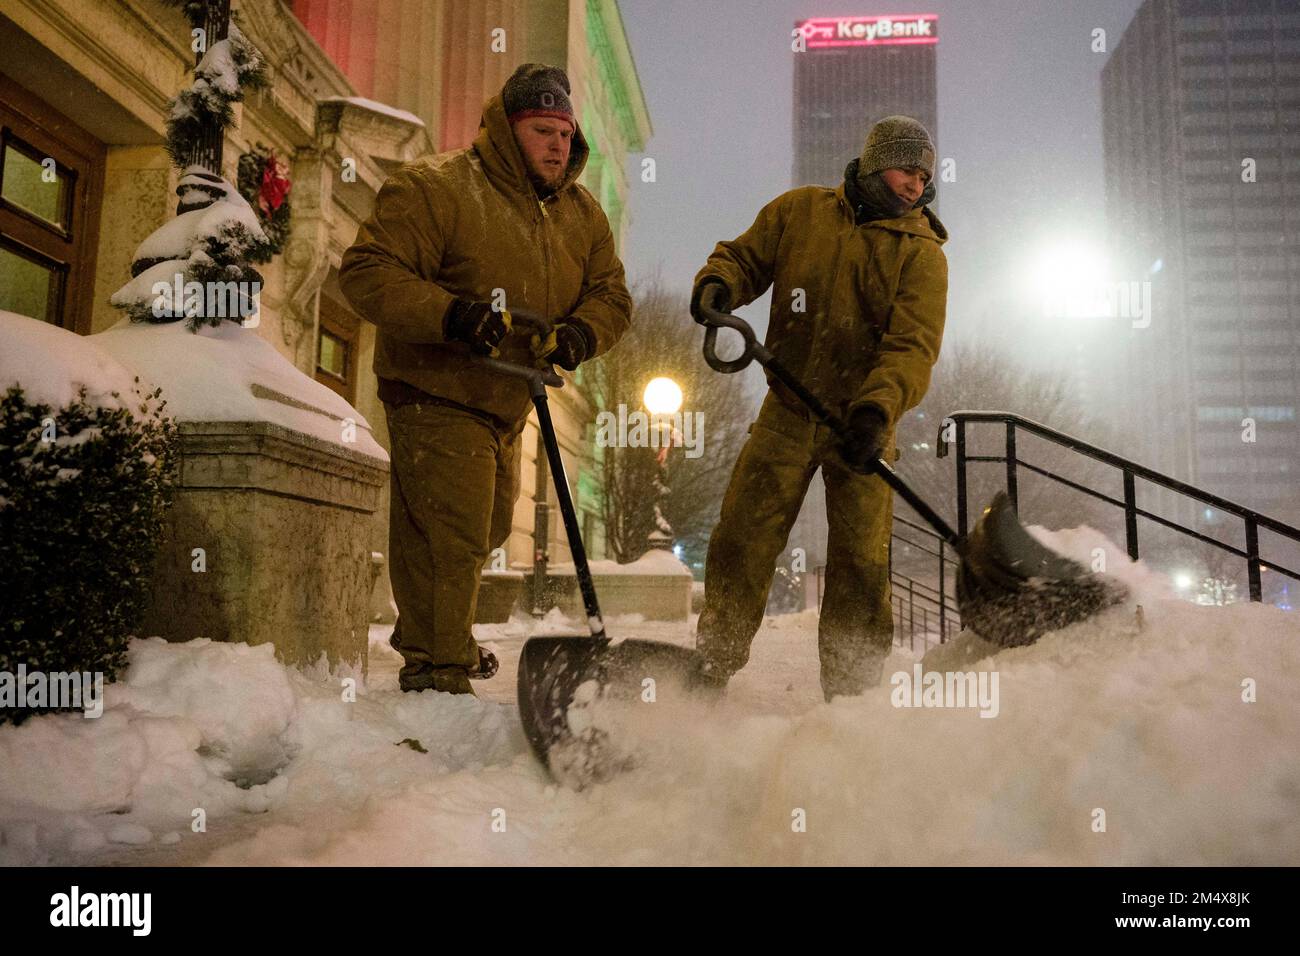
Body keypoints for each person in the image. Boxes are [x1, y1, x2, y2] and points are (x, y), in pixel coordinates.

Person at [340, 63, 632, 695]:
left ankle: (440, 639)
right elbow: (366, 272)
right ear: (507, 130)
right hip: (435, 387)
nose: (557, 145)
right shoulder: (439, 187)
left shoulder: (580, 215)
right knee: (455, 529)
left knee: (488, 527)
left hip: (505, 398)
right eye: (541, 130)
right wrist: (452, 315)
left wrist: (581, 331)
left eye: (564, 132)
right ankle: (436, 670)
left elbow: (611, 294)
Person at [689, 115, 949, 702]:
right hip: (788, 408)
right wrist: (719, 284)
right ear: (877, 159)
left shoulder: (922, 254)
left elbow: (912, 347)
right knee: (742, 537)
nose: (916, 183)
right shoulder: (800, 212)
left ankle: (852, 692)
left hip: (862, 424)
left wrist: (877, 412)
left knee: (860, 561)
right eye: (908, 169)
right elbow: (745, 257)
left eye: (924, 175)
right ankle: (712, 664)